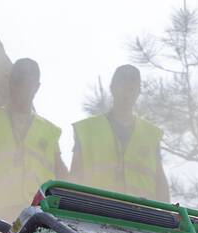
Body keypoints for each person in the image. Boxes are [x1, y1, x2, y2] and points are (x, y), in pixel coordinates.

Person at [0, 58, 65, 221]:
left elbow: (61, 171)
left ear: (36, 87)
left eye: (27, 84)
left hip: (37, 210)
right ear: (9, 82)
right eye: (17, 82)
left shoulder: (48, 131)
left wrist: (67, 201)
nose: (20, 88)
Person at [70, 65, 169, 202]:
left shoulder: (150, 134)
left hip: (142, 214)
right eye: (122, 87)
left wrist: (167, 215)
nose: (127, 94)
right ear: (112, 88)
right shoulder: (88, 129)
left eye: (132, 89)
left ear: (138, 92)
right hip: (95, 211)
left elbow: (160, 180)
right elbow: (75, 175)